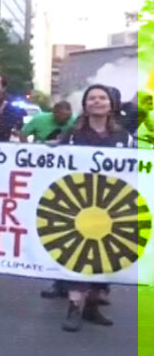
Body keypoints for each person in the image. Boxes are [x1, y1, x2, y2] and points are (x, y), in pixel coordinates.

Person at [56, 84, 135, 332]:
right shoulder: (72, 135)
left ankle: (92, 305)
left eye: (102, 98)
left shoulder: (124, 138)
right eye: (92, 98)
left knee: (102, 255)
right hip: (78, 204)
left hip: (110, 206)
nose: (97, 101)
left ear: (111, 105)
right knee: (79, 255)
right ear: (85, 105)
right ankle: (74, 307)